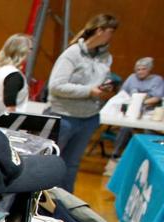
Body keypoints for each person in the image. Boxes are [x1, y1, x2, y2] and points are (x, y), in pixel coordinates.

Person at [46, 13, 119, 192]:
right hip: (64, 117)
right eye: (110, 32)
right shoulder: (72, 54)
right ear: (100, 30)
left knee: (71, 165)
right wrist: (89, 91)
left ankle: (64, 205)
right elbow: (56, 86)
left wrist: (106, 88)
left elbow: (101, 80)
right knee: (50, 161)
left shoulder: (106, 57)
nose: (112, 37)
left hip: (89, 118)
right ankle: (39, 202)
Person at [0, 33, 32, 110]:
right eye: (30, 49)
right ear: (23, 52)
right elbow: (10, 108)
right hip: (2, 120)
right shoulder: (13, 75)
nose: (30, 52)